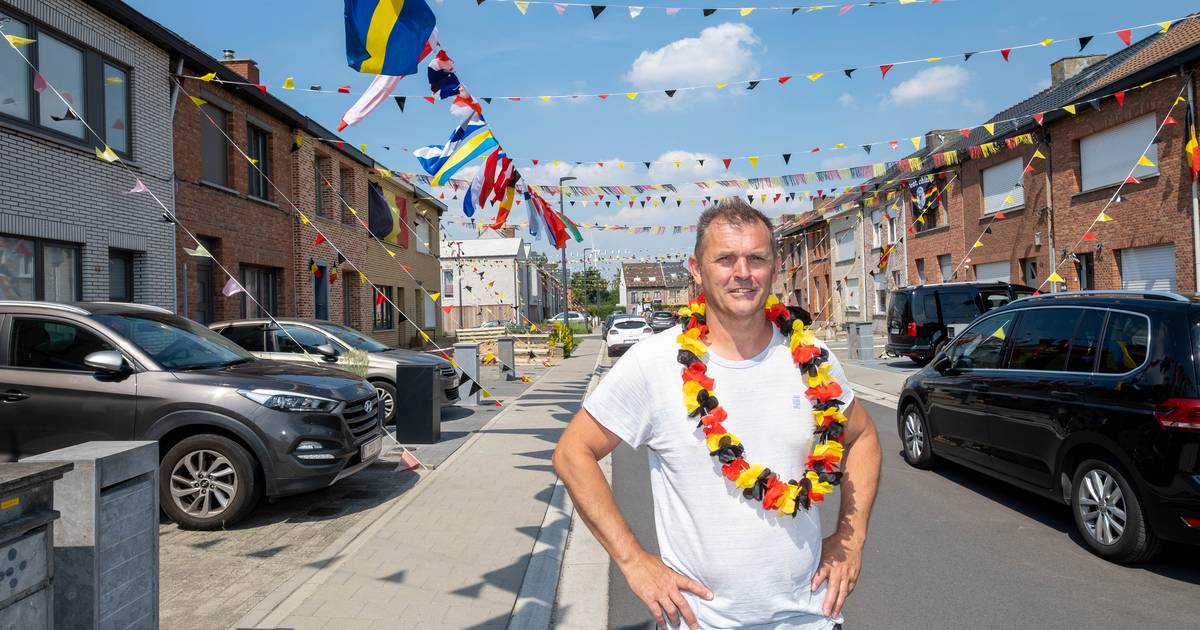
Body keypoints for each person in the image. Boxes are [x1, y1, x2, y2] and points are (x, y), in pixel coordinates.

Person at [553, 199, 881, 629]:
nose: (742, 273)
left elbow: (864, 438)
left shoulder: (813, 359)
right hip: (699, 621)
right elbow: (572, 453)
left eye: (756, 259)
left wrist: (851, 541)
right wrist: (634, 562)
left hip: (811, 617)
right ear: (696, 269)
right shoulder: (654, 362)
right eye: (725, 258)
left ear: (774, 267)